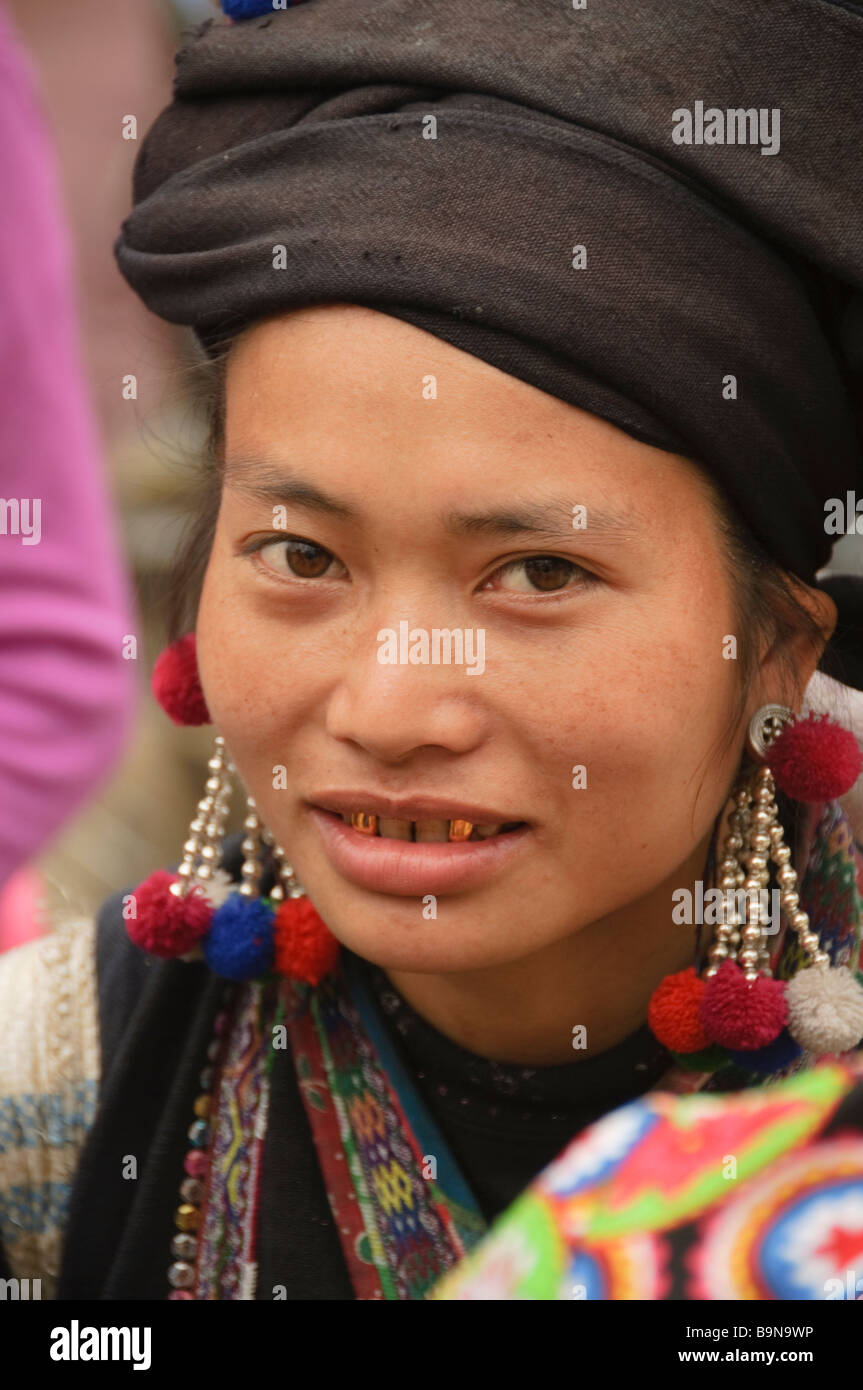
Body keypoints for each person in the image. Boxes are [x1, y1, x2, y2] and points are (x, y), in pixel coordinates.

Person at [2, 0, 863, 1302]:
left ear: (781, 648)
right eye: (302, 557)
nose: (390, 707)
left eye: (539, 572)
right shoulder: (46, 1103)